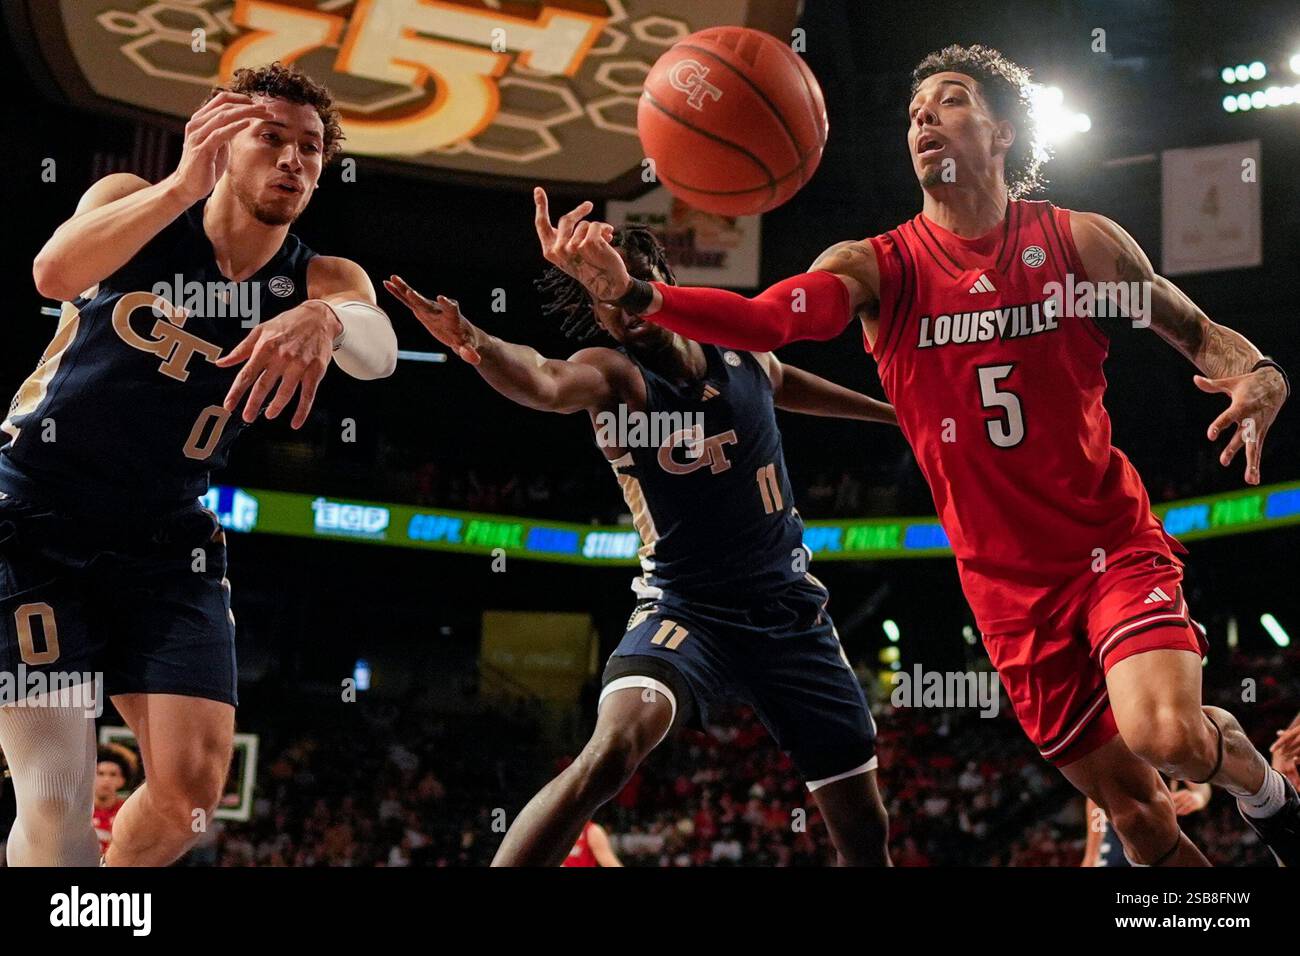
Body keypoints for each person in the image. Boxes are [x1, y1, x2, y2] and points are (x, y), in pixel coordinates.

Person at [529, 43, 1296, 867]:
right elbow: (767, 322)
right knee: (1138, 814)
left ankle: (1273, 800)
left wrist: (1258, 372)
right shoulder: (877, 268)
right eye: (914, 111)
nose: (924, 116)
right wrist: (639, 295)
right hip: (1006, 593)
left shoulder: (1079, 243)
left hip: (1109, 547)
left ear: (1002, 134)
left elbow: (1200, 334)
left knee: (1166, 735)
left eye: (951, 99)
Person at [387, 223, 896, 866]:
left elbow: (781, 380)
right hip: (687, 612)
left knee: (863, 828)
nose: (618, 305)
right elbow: (543, 380)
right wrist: (476, 341)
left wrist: (893, 415)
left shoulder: (738, 348)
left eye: (622, 282)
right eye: (600, 295)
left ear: (658, 280)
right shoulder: (616, 376)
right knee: (613, 748)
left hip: (790, 612)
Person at [0, 61, 397, 867]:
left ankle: (99, 902)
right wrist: (182, 186)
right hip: (32, 519)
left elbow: (380, 352)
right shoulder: (129, 202)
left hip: (167, 537)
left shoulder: (322, 276)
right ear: (220, 140)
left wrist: (326, 316)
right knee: (54, 799)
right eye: (272, 137)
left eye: (312, 148)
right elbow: (54, 272)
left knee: (189, 796)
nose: (295, 159)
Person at [92, 743, 140, 856]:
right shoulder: (77, 811)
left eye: (113, 774)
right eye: (100, 773)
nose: (106, 780)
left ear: (122, 780)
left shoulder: (129, 812)